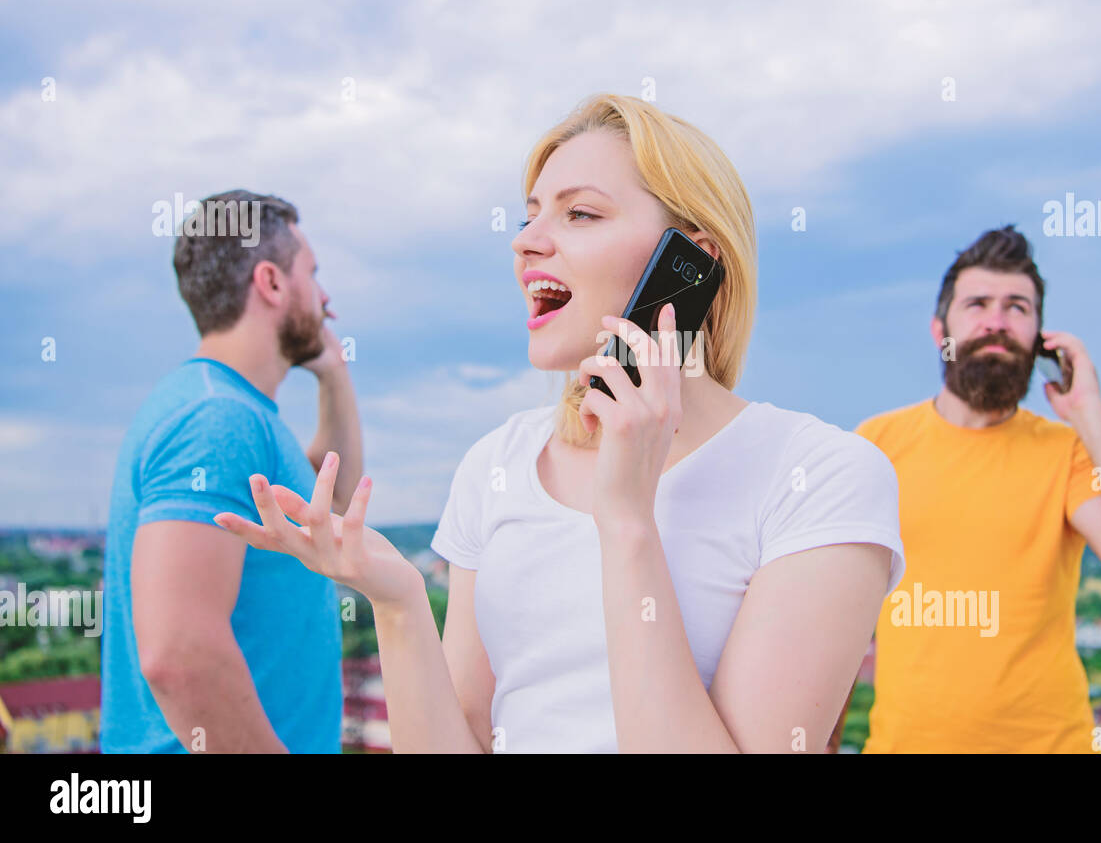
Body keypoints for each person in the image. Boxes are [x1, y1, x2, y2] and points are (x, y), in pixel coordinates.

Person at [216, 94, 906, 753]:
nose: (525, 244)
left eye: (580, 215)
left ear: (692, 262)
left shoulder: (821, 477)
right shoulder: (497, 465)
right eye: (529, 217)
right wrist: (397, 605)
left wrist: (627, 518)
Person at [829, 225, 1101, 754]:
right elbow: (839, 621)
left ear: (1041, 336)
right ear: (939, 329)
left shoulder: (1070, 451)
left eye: (1017, 307)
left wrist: (1090, 413)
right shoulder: (875, 445)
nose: (996, 322)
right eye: (977, 304)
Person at [101, 190, 363, 753]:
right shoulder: (217, 419)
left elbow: (330, 504)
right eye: (311, 275)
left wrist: (334, 373)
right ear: (270, 283)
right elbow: (178, 655)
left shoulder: (231, 410)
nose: (323, 297)